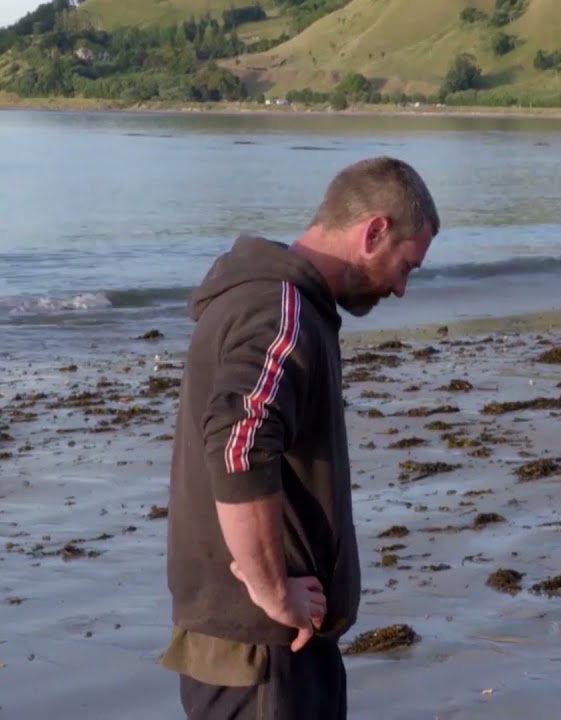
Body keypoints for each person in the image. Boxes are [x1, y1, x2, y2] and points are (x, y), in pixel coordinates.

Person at [160, 156, 441, 719]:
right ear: (374, 231)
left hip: (273, 647)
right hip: (263, 652)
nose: (401, 288)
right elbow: (240, 442)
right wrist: (270, 589)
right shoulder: (280, 310)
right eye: (405, 266)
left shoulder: (281, 304)